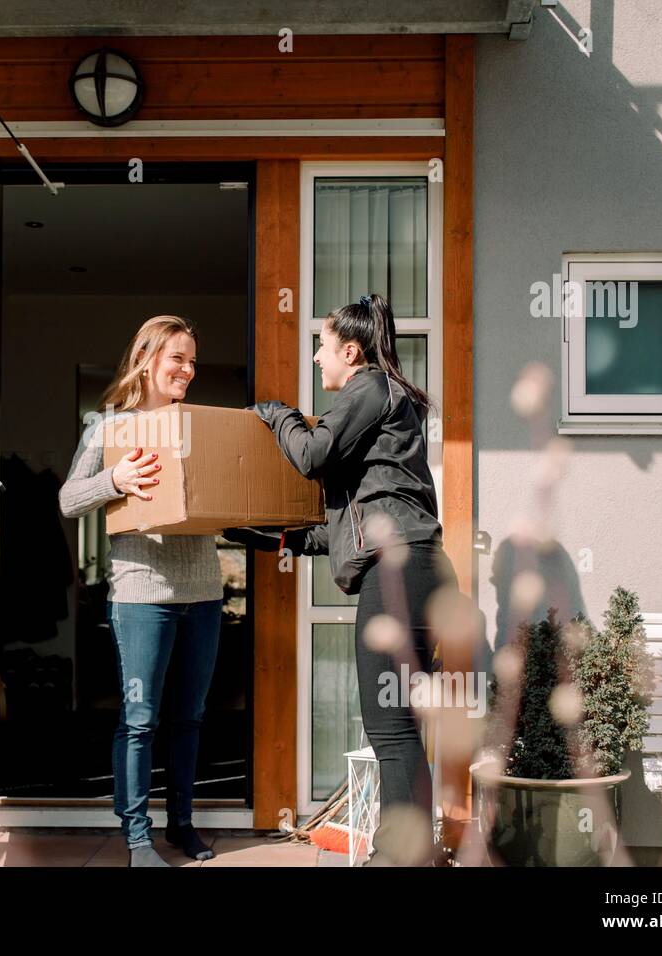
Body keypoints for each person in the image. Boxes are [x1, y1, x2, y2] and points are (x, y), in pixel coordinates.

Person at [228, 293, 458, 866]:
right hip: (420, 569)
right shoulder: (387, 405)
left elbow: (312, 453)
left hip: (402, 575)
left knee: (391, 728)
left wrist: (277, 413)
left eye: (322, 347)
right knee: (400, 726)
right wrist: (269, 538)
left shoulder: (370, 386)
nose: (316, 358)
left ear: (350, 352)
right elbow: (350, 530)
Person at [58, 315, 224, 867]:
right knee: (140, 719)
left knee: (190, 717)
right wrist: (116, 480)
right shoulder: (109, 429)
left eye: (193, 361)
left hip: (203, 591)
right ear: (147, 360)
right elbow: (68, 499)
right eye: (178, 358)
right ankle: (137, 838)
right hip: (141, 595)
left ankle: (182, 824)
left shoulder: (197, 428)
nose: (188, 370)